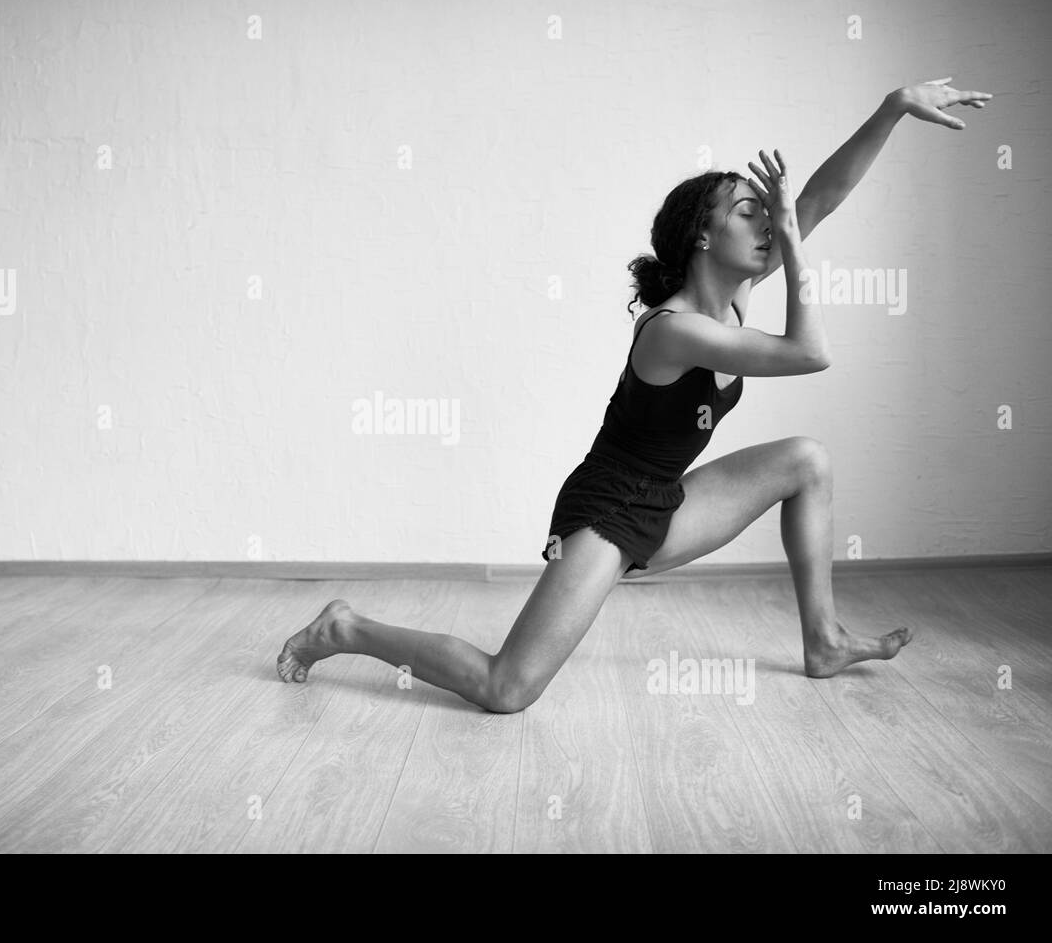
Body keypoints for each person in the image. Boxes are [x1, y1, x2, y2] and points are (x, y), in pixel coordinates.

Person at [276, 79, 993, 713]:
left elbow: (821, 198)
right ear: (703, 236)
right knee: (507, 688)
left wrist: (893, 108)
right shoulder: (674, 330)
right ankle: (345, 627)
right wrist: (798, 244)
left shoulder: (733, 297)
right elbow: (812, 352)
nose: (770, 222)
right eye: (750, 212)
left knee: (808, 460)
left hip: (668, 502)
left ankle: (825, 639)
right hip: (610, 510)